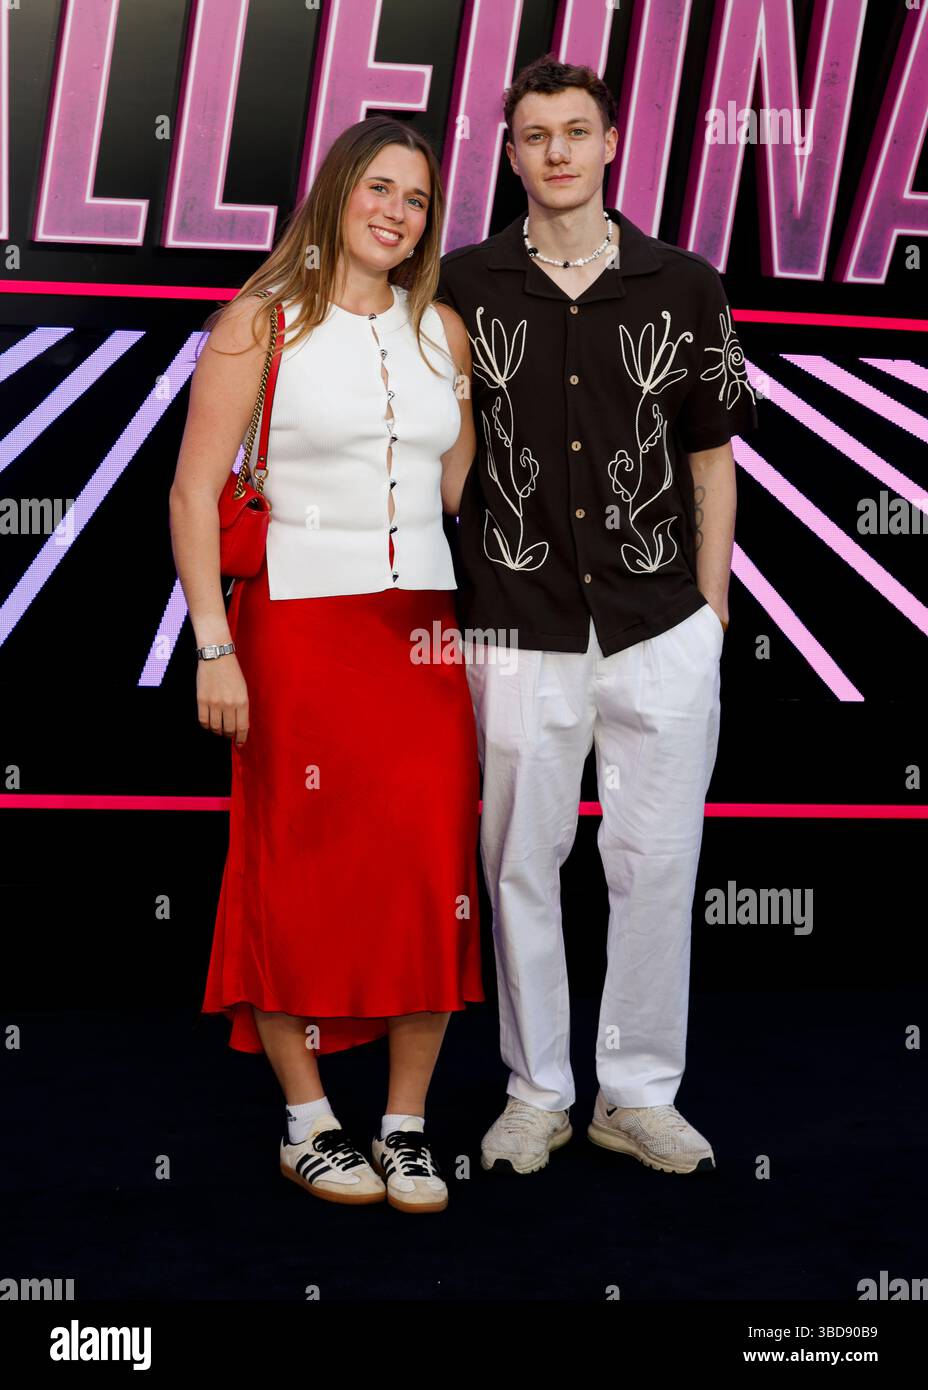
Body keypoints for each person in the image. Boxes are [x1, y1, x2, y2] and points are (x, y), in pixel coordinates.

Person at [437, 56, 759, 1177]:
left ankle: (635, 1092)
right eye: (537, 134)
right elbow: (446, 457)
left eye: (578, 130)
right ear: (511, 151)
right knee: (520, 860)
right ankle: (535, 1093)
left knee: (656, 862)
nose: (559, 150)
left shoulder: (685, 284)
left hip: (661, 622)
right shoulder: (461, 285)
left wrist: (711, 611)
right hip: (516, 626)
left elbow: (712, 461)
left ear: (611, 143)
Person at [169, 116, 483, 1214]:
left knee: (428, 873)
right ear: (339, 191)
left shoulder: (441, 329)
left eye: (417, 199)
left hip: (422, 638)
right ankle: (309, 1121)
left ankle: (404, 1128)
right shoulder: (261, 322)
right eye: (381, 189)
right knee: (293, 865)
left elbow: (451, 488)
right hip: (296, 633)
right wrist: (214, 644)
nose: (397, 212)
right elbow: (192, 492)